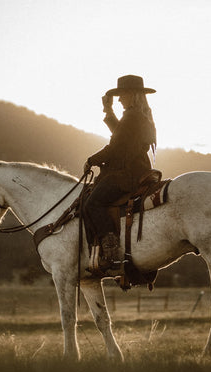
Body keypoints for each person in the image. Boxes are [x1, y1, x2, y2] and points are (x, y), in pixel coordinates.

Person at [83, 75, 157, 273]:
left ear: (131, 95)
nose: (119, 99)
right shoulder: (140, 115)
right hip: (139, 168)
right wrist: (108, 111)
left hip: (128, 173)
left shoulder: (132, 116)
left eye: (122, 95)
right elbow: (121, 136)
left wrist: (92, 160)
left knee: (93, 203)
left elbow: (115, 146)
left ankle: (111, 248)